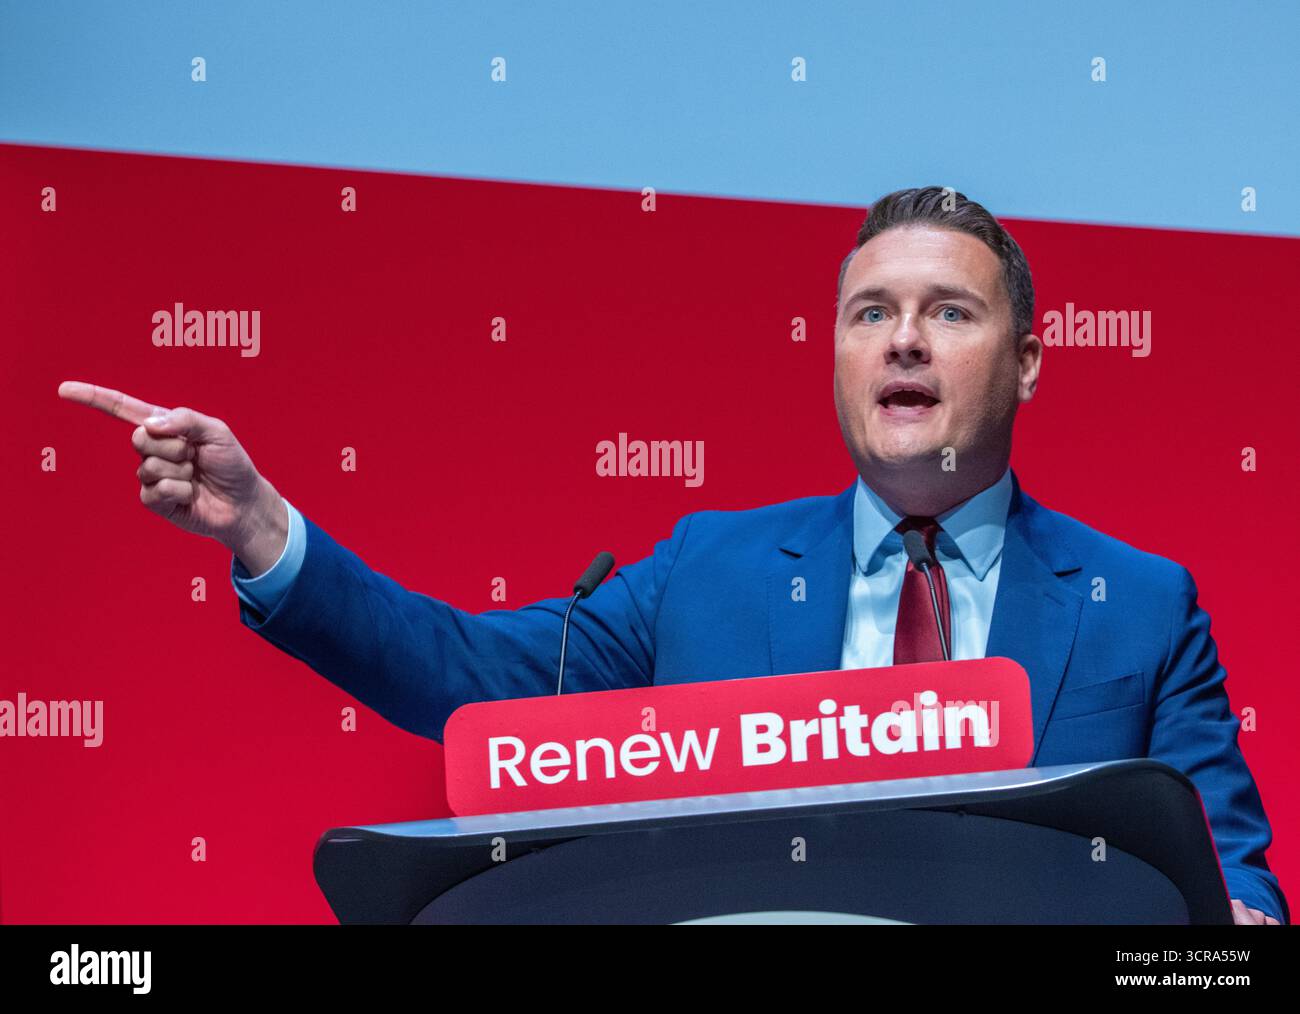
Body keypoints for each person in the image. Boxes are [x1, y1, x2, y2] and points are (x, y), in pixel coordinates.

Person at [58, 187, 1286, 925]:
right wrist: (267, 532)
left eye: (949, 312)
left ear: (1023, 360)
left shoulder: (1139, 601)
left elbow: (1228, 869)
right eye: (871, 313)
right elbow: (476, 680)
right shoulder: (705, 574)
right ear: (839, 358)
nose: (902, 340)